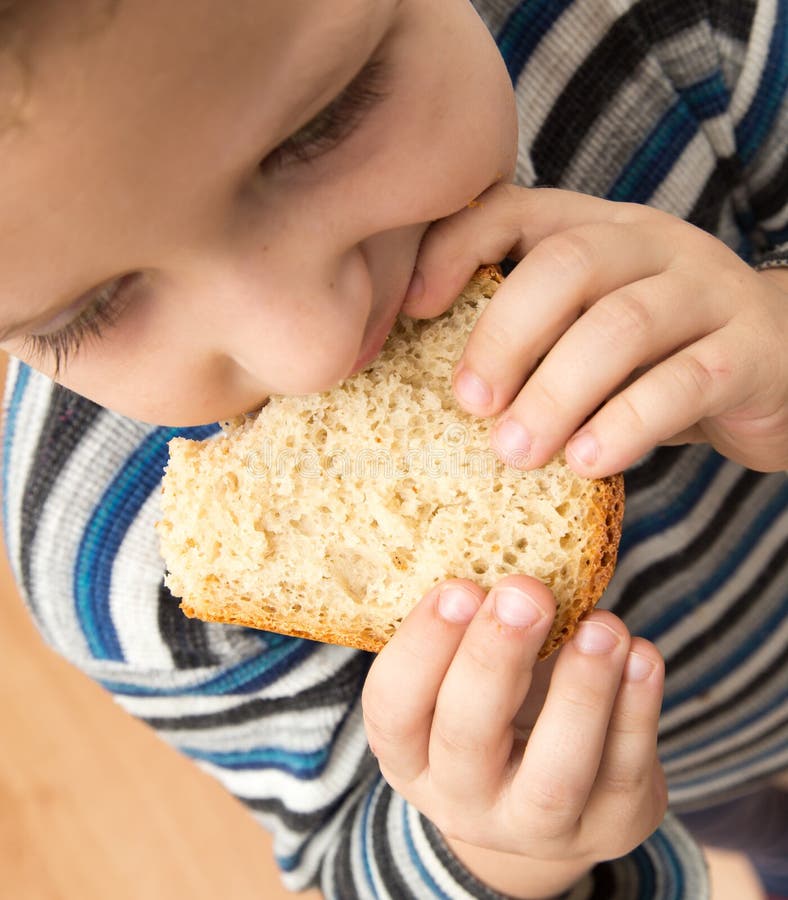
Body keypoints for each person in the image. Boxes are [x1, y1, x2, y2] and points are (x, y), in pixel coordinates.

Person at [1, 0, 786, 897]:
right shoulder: (105, 561)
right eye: (87, 313)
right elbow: (343, 851)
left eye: (323, 119)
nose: (311, 347)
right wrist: (501, 845)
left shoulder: (674, 29)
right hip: (702, 775)